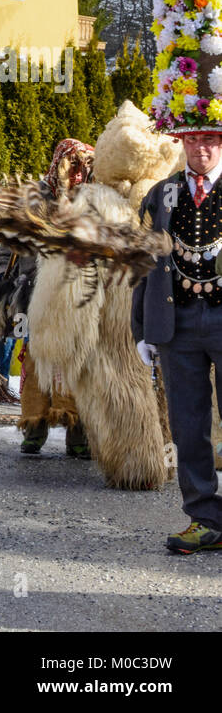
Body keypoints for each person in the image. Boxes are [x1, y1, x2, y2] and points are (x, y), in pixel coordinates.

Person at [134, 127, 222, 553]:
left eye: (210, 140)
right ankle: (205, 519)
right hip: (176, 323)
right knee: (188, 428)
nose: (200, 149)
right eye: (193, 140)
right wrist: (142, 329)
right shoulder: (161, 193)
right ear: (181, 143)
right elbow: (143, 263)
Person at [0, 139, 93, 457]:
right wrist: (2, 285)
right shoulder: (33, 198)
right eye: (71, 167)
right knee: (35, 360)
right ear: (58, 165)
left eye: (83, 169)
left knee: (76, 362)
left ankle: (76, 431)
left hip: (76, 296)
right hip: (33, 294)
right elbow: (7, 245)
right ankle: (34, 425)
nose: (76, 176)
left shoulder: (93, 201)